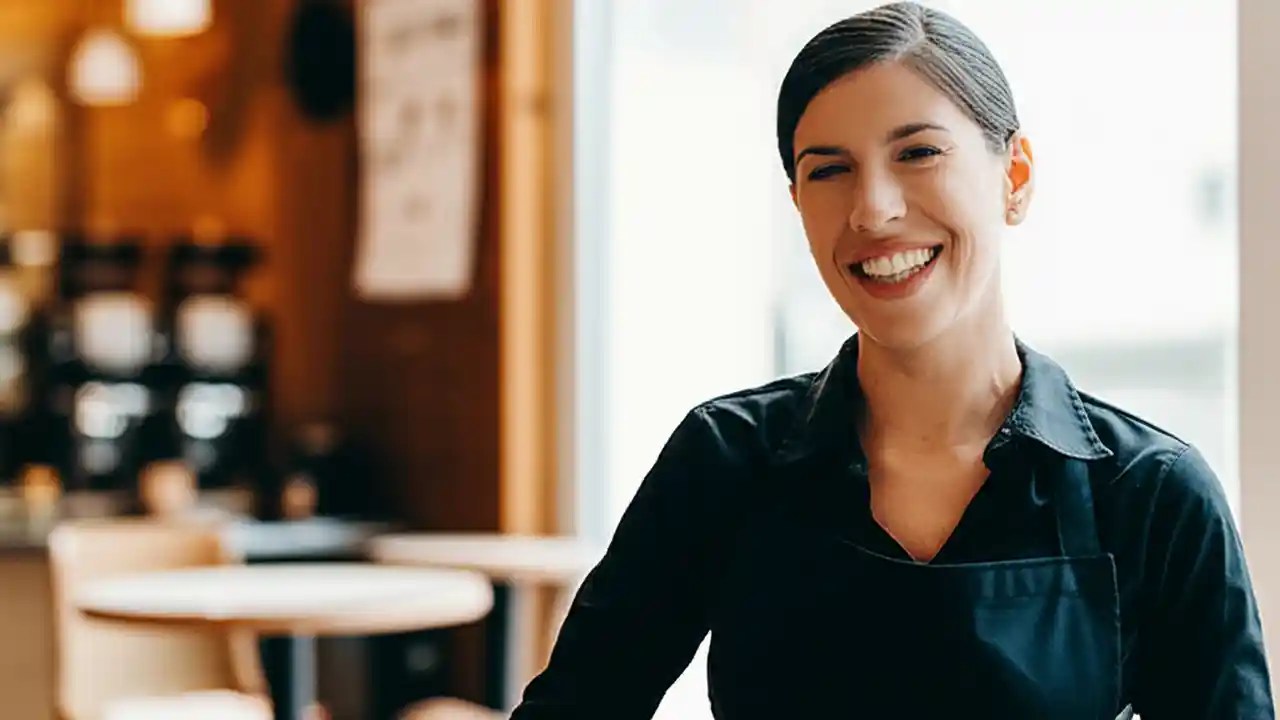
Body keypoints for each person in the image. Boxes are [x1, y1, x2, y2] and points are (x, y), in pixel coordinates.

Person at [510, 2, 1275, 718]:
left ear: (1014, 177)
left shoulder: (1149, 493)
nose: (873, 209)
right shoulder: (725, 461)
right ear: (797, 202)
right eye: (829, 169)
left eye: (918, 153)